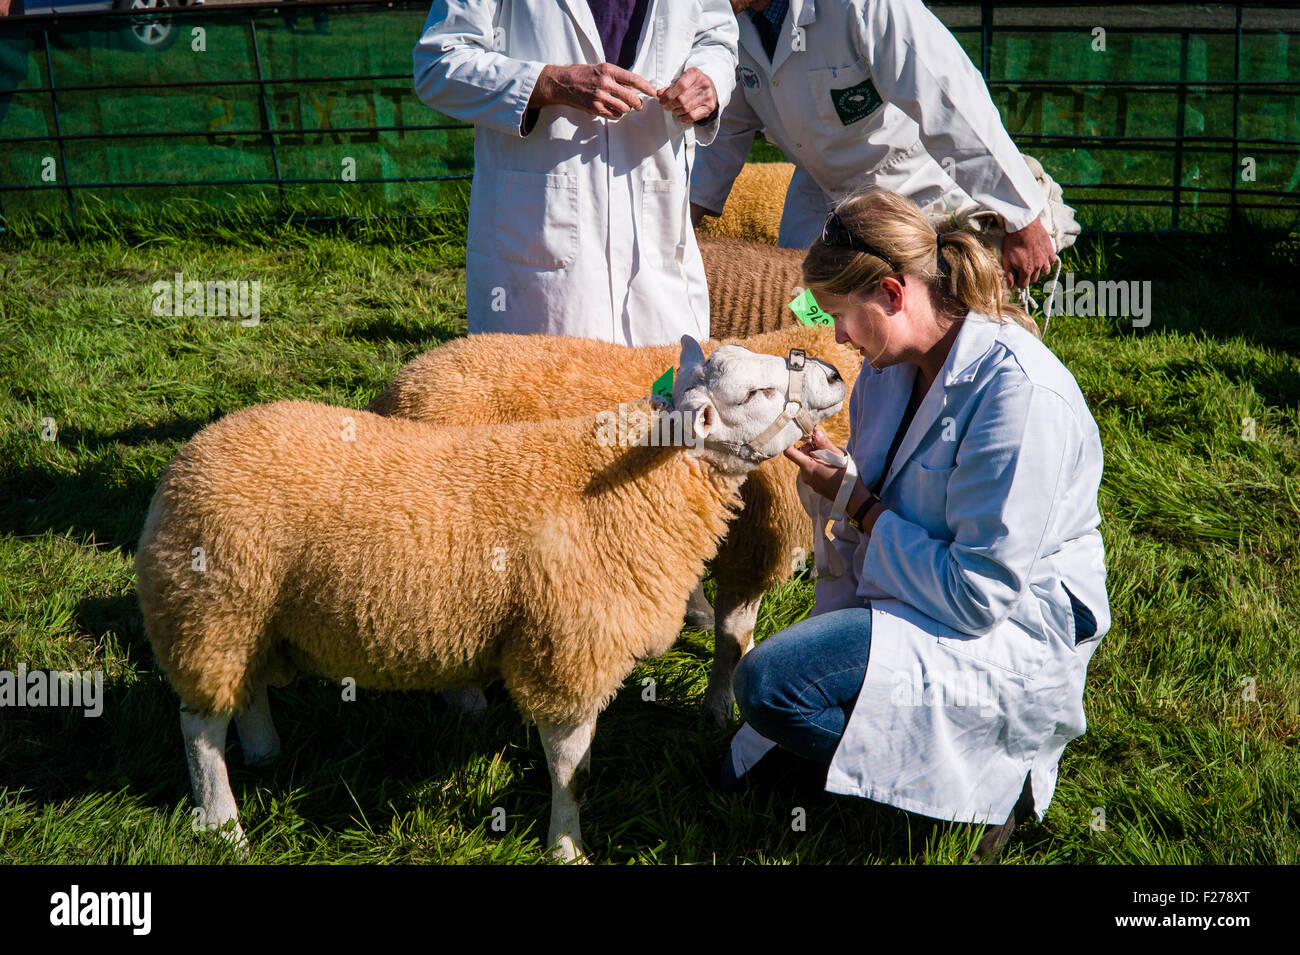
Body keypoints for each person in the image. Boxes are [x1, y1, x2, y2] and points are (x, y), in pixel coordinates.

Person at [723, 189, 1109, 859]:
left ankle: (990, 783)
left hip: (1007, 625)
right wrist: (846, 492)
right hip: (919, 591)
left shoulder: (1018, 396)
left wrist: (862, 507)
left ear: (894, 293)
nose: (838, 335)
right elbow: (878, 512)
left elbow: (979, 593)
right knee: (748, 743)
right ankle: (893, 768)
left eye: (843, 315)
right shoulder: (887, 370)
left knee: (767, 685)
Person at [413, 1, 739, 346]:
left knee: (666, 387)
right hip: (541, 243)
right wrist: (548, 83)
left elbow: (716, 38)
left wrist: (709, 80)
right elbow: (438, 62)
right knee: (549, 390)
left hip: (658, 238)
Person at [690, 0, 1063, 290]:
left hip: (914, 192)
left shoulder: (864, 6)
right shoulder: (729, 25)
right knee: (801, 310)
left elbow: (949, 98)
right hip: (820, 197)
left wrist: (1022, 217)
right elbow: (722, 135)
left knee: (924, 321)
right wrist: (677, 230)